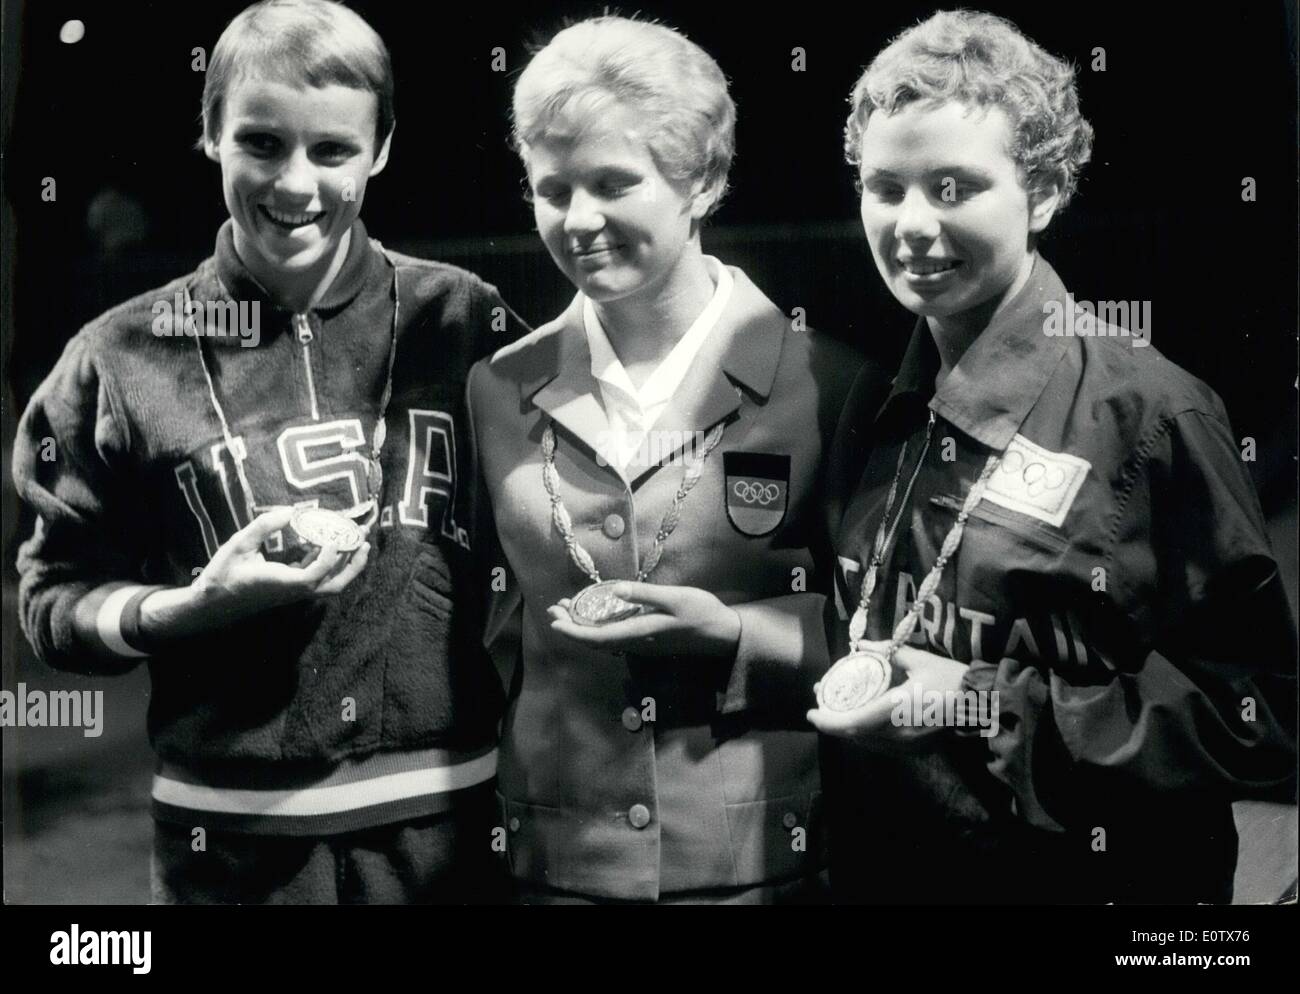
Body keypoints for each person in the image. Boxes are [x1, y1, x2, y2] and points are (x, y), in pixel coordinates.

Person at [13, 0, 524, 904]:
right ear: (210, 134)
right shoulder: (117, 355)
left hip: (452, 839)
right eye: (260, 143)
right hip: (230, 853)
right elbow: (53, 604)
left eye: (332, 151)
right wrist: (188, 608)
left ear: (383, 148)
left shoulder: (465, 319)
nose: (295, 184)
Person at [809, 9, 1297, 904]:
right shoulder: (871, 400)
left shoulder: (1152, 412)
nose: (912, 224)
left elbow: (1262, 720)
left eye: (954, 187)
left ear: (1042, 194)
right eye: (887, 188)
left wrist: (979, 700)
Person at [467, 15, 864, 903]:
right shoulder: (497, 389)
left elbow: (876, 635)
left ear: (704, 181)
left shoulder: (825, 381)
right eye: (552, 187)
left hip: (761, 864)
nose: (578, 220)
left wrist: (733, 633)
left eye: (614, 183)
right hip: (555, 868)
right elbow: (495, 640)